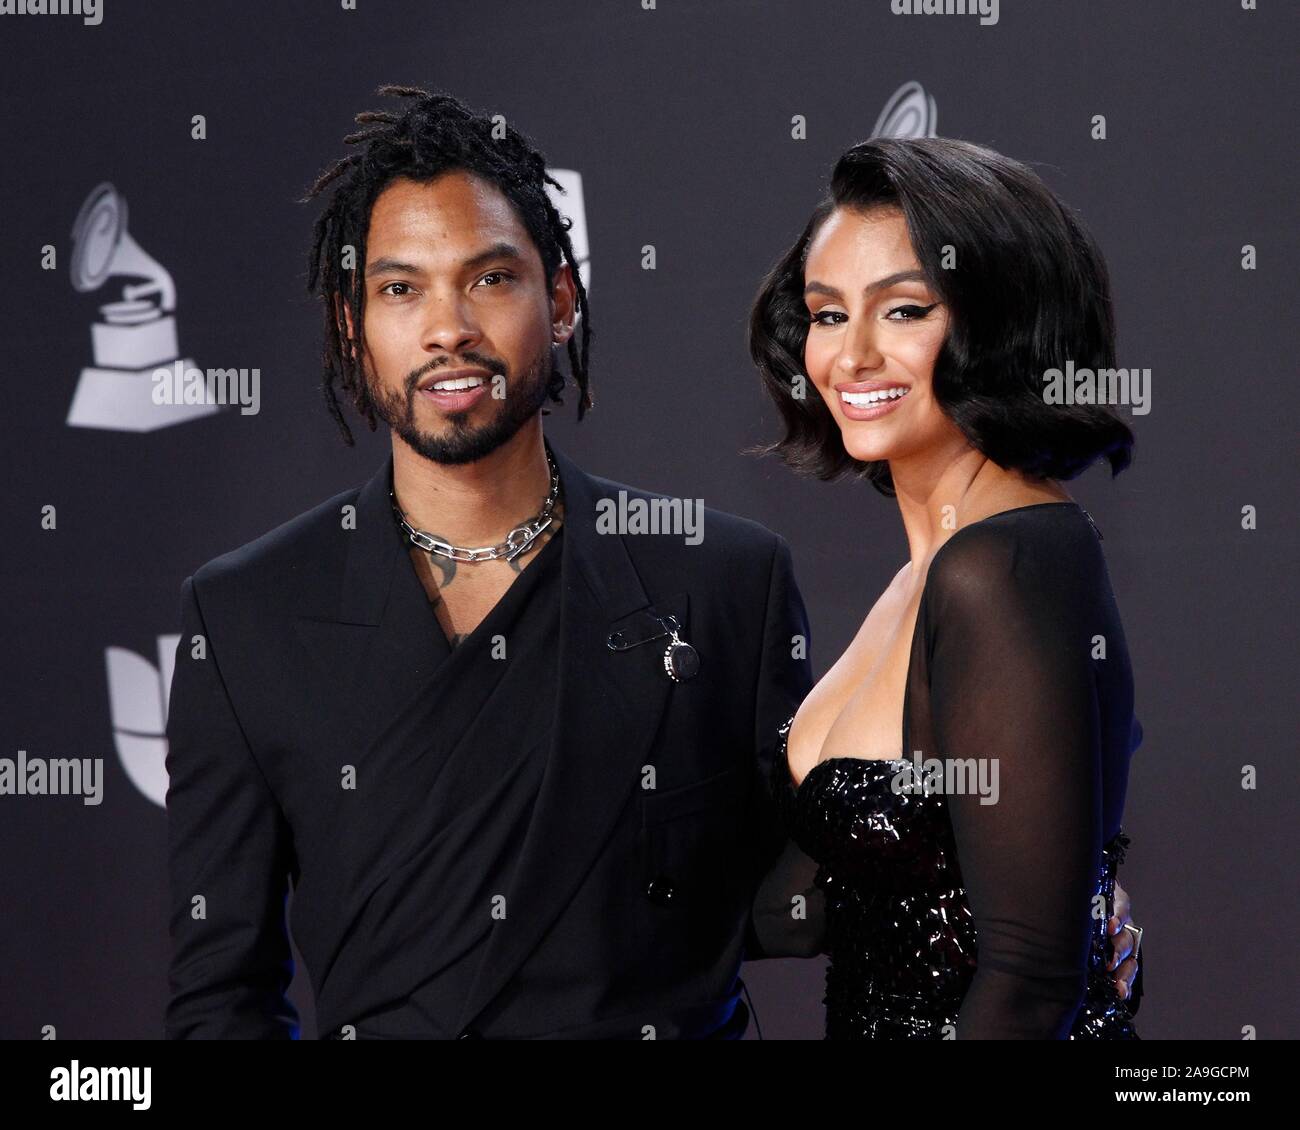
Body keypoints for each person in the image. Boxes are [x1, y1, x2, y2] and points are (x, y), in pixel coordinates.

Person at [163, 88, 1141, 1039]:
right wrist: (1039, 893)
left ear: (559, 298)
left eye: (491, 277)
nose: (446, 325)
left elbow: (983, 945)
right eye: (399, 286)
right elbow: (801, 895)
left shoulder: (727, 579)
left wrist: (1046, 914)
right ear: (350, 323)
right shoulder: (246, 612)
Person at [748, 137, 1145, 1038]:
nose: (850, 356)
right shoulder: (931, 569)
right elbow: (803, 908)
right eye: (825, 313)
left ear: (999, 323)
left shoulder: (998, 570)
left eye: (903, 311)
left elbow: (1031, 985)